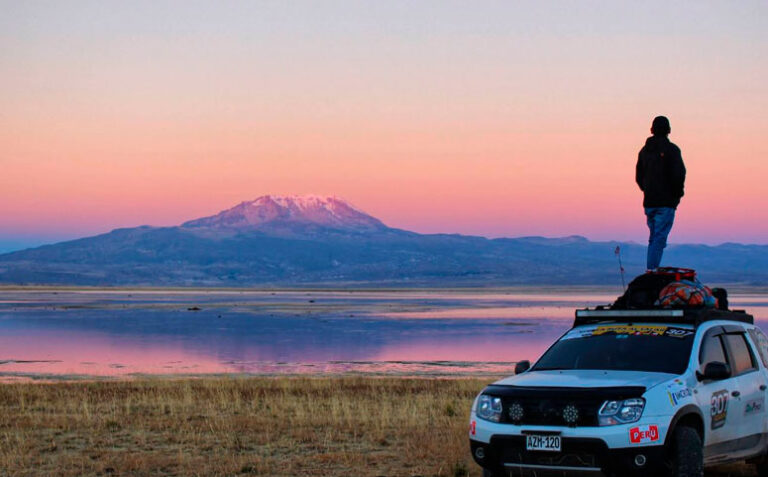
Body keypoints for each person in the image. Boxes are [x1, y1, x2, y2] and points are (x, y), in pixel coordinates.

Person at [635, 116, 686, 270]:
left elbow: (639, 177)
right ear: (668, 131)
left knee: (654, 238)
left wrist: (648, 190)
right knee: (659, 238)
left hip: (650, 202)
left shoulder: (644, 152)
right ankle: (652, 271)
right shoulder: (672, 150)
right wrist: (676, 196)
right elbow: (679, 175)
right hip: (665, 203)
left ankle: (651, 269)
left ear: (652, 130)